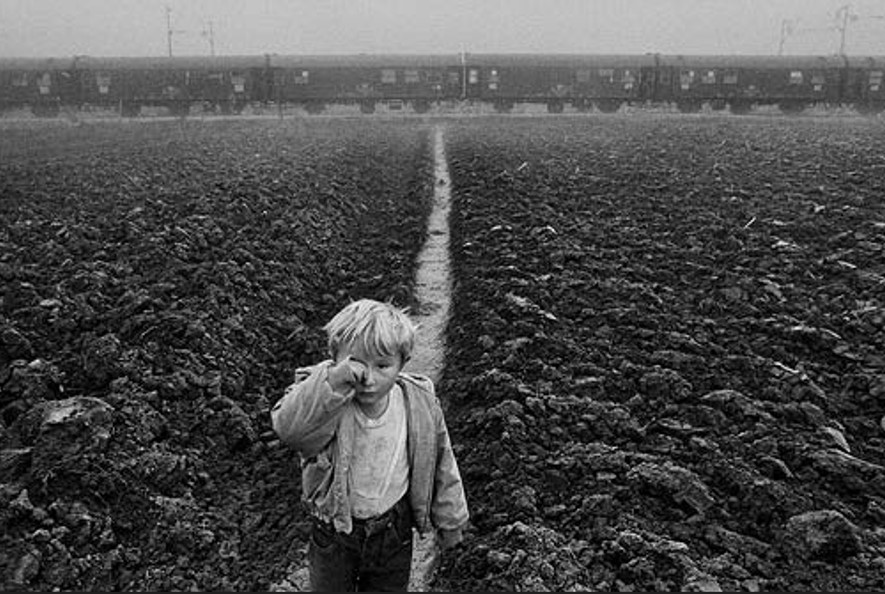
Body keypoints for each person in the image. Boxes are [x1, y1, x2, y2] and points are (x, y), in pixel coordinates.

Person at [270, 298, 469, 592]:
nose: (369, 379)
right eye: (357, 364)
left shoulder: (419, 404)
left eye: (383, 366)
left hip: (393, 532)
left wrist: (450, 518)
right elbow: (290, 430)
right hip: (335, 532)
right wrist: (335, 382)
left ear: (403, 363)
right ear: (334, 358)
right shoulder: (324, 399)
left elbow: (441, 460)